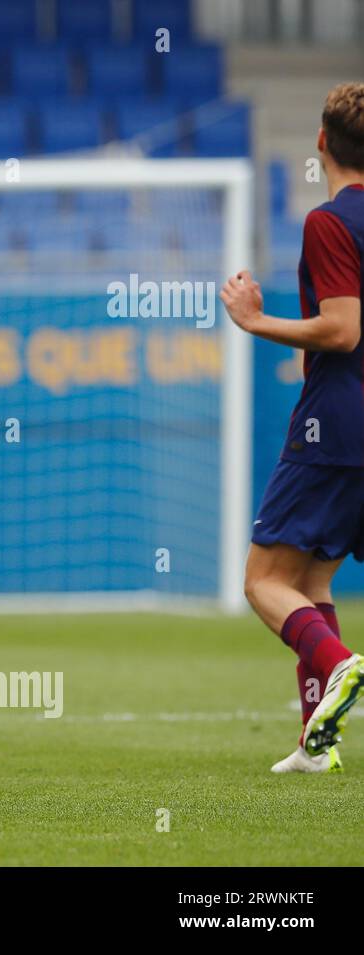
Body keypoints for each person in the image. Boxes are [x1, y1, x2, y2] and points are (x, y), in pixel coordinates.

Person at [222, 82, 364, 773]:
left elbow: (341, 329)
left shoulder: (328, 222)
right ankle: (318, 742)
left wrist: (255, 321)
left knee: (262, 580)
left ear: (320, 143)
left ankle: (339, 667)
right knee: (311, 579)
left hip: (340, 424)